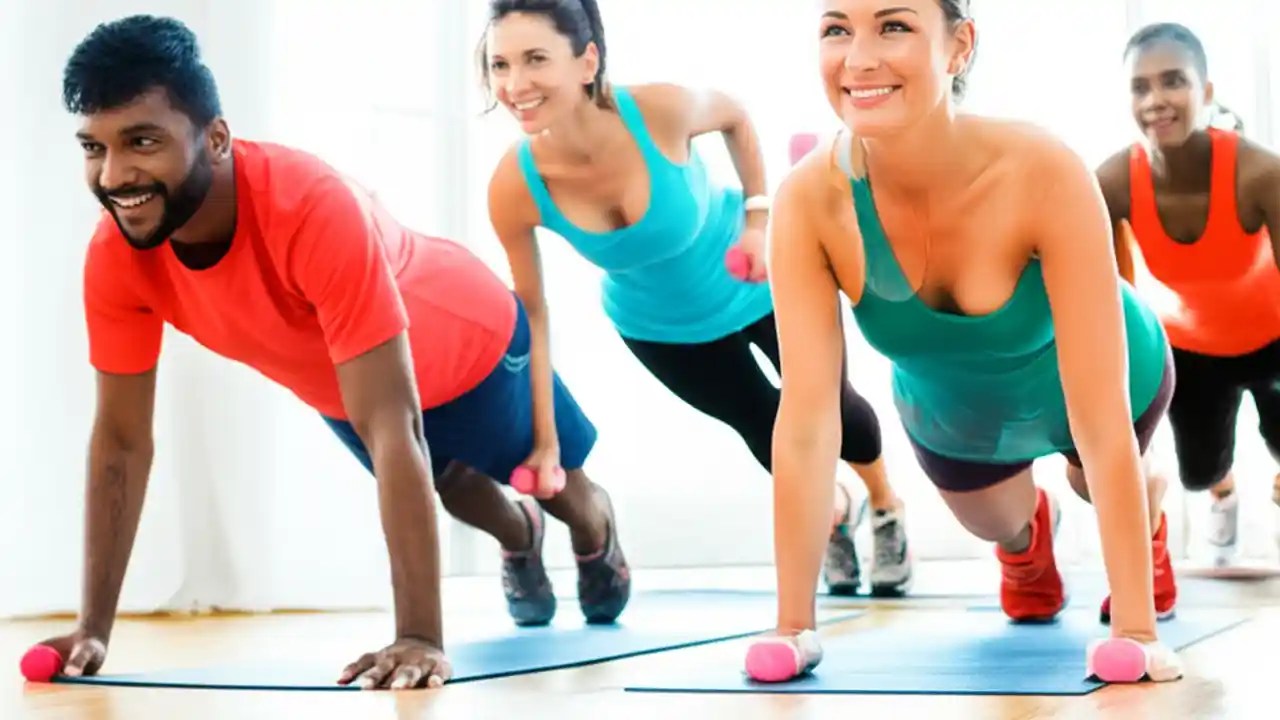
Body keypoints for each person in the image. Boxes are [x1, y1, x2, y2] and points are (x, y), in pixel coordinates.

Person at [38, 14, 629, 690]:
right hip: (351, 384)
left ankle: (595, 526)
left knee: (559, 489)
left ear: (218, 139)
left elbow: (394, 424)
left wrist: (418, 638)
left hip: (473, 345)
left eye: (142, 141)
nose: (115, 175)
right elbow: (119, 442)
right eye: (94, 148)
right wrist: (94, 628)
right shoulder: (117, 256)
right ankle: (518, 536)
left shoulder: (309, 205)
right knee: (456, 489)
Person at [746, 0, 1183, 684]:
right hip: (959, 411)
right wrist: (791, 628)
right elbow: (806, 420)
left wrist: (1135, 630)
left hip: (1107, 379)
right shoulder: (808, 201)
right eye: (837, 29)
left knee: (1096, 476)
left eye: (893, 26)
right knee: (998, 527)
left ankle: (1147, 512)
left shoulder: (1040, 168)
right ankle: (1032, 535)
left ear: (958, 47)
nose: (858, 58)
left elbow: (1099, 412)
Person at [477, 0, 914, 597]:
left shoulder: (657, 110)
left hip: (759, 282)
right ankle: (834, 515)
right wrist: (546, 438)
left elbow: (736, 117)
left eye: (535, 60)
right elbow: (533, 312)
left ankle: (884, 504)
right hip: (662, 330)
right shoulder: (514, 185)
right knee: (765, 428)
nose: (515, 84)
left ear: (586, 61)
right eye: (499, 64)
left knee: (833, 409)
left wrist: (759, 221)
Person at [1096, 22, 1280, 567]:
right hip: (1194, 351)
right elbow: (1113, 296)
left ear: (1205, 92)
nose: (1156, 100)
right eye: (1141, 87)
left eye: (1173, 81)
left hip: (1275, 337)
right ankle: (1225, 500)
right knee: (1199, 472)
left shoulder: (1260, 174)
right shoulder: (1113, 182)